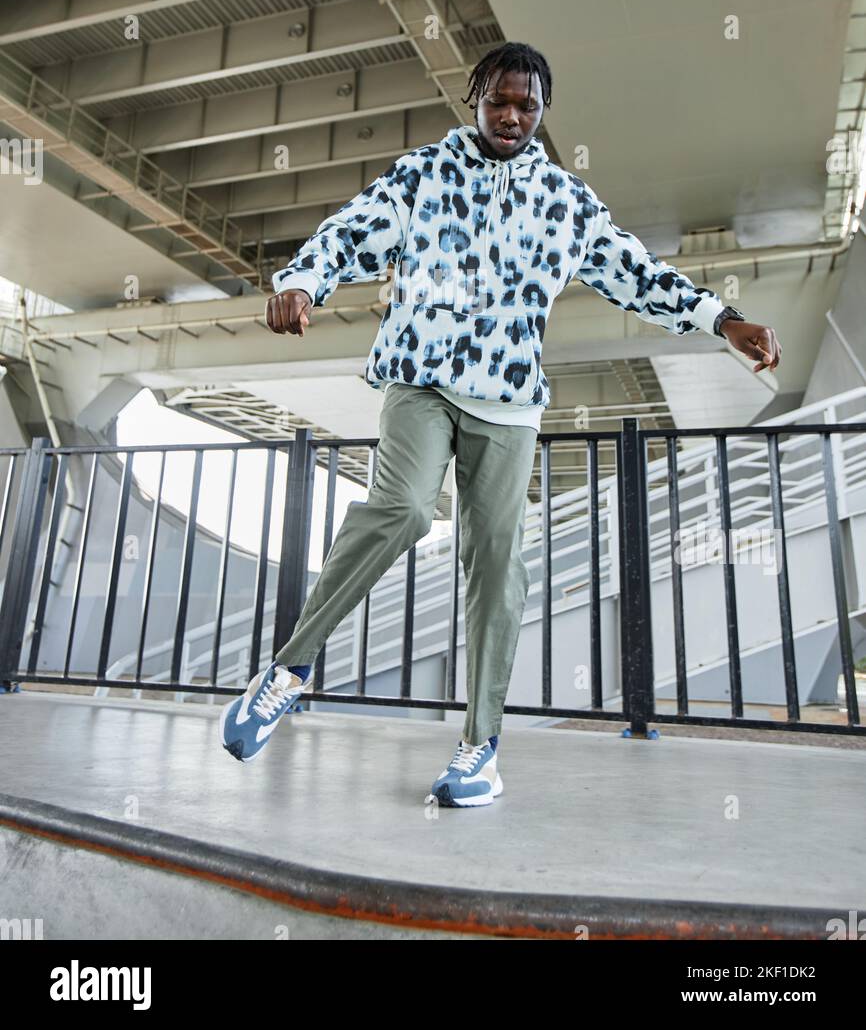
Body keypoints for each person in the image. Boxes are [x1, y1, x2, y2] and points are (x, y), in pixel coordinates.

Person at [220, 42, 782, 807]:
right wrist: (300, 281)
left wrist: (725, 319)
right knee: (406, 508)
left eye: (528, 105)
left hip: (510, 403)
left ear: (544, 114)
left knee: (496, 565)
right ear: (474, 97)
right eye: (499, 101)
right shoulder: (424, 175)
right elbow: (354, 229)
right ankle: (286, 671)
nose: (512, 116)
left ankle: (479, 747)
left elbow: (636, 273)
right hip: (422, 381)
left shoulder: (566, 201)